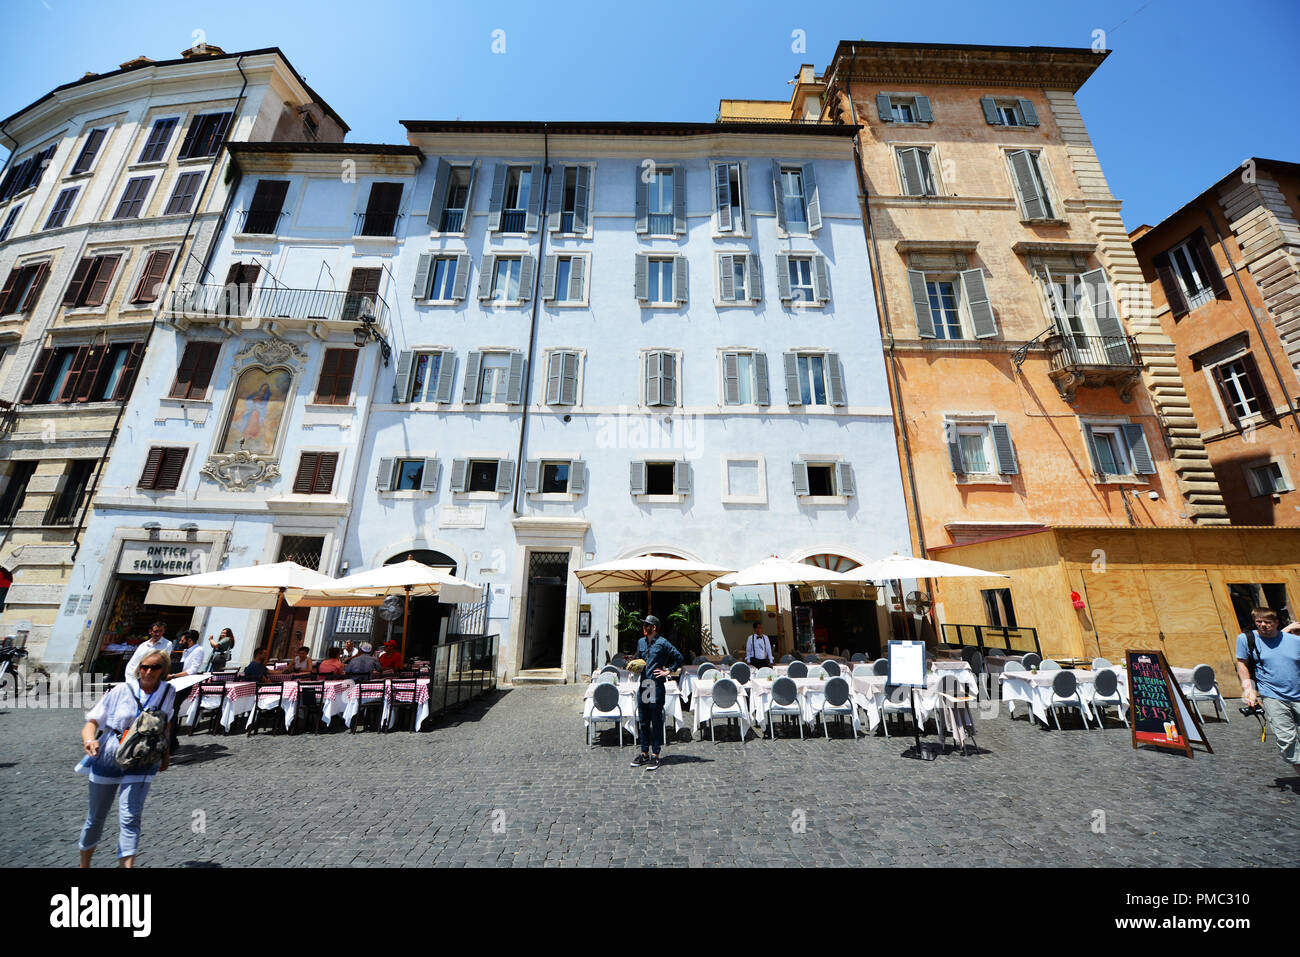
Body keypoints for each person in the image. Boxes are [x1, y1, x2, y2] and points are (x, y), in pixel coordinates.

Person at [77, 649, 174, 868]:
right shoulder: (121, 690)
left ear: (163, 671)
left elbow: (165, 724)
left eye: (154, 667)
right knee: (96, 817)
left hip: (144, 758)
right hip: (110, 755)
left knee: (130, 817)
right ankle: (84, 865)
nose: (147, 671)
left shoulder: (169, 692)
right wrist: (89, 740)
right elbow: (92, 721)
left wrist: (165, 756)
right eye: (144, 666)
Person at [1236, 607, 1300, 776]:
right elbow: (1241, 663)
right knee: (1287, 739)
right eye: (1259, 622)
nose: (1263, 625)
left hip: (1298, 694)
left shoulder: (1294, 641)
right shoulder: (1246, 639)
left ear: (1277, 622)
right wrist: (1248, 688)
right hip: (1272, 696)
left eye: (1267, 622)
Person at [631, 615, 682, 771]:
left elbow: (678, 657)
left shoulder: (662, 643)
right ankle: (644, 753)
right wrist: (634, 664)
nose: (643, 627)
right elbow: (639, 659)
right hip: (644, 685)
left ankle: (656, 755)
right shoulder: (640, 642)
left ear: (653, 627)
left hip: (655, 685)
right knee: (644, 720)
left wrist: (668, 671)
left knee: (656, 720)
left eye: (646, 625)